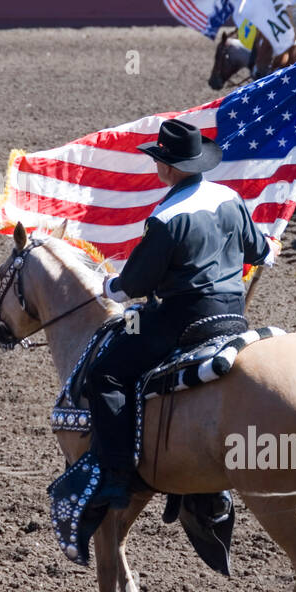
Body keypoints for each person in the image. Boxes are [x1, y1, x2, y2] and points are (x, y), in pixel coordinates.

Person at [80, 119, 277, 515]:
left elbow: (132, 286)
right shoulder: (230, 198)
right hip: (233, 317)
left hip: (181, 320)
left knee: (106, 374)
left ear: (167, 167)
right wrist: (269, 245)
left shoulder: (167, 216)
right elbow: (260, 253)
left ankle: (117, 476)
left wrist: (106, 287)